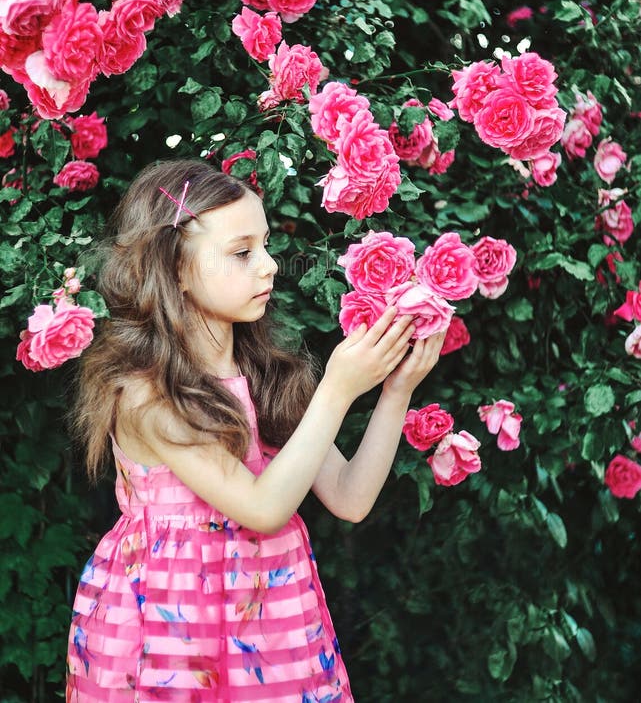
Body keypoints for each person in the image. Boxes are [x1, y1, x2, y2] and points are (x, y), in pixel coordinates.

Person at [66, 158, 445, 702]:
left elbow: (349, 497)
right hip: (171, 625)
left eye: (265, 246)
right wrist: (338, 389)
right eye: (242, 252)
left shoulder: (263, 374)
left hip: (269, 617)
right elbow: (263, 508)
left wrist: (395, 391)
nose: (269, 266)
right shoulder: (148, 394)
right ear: (174, 267)